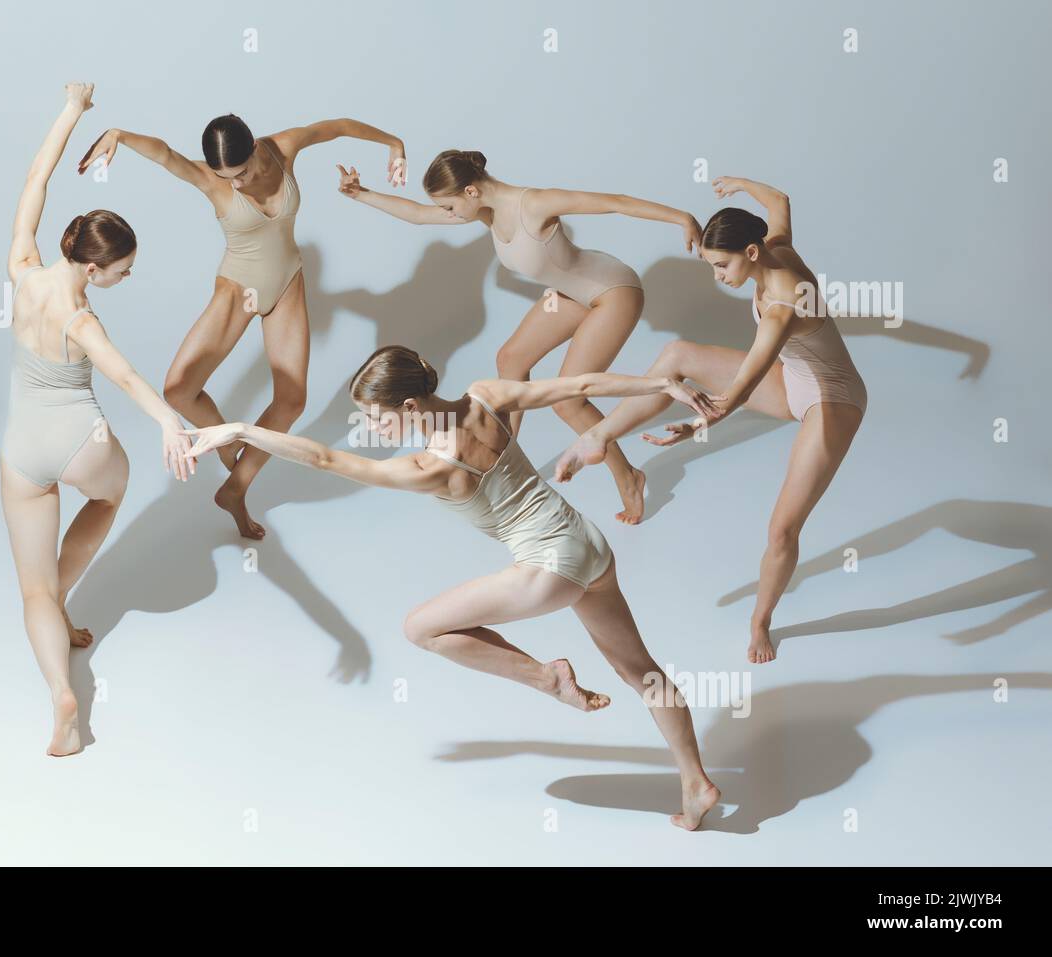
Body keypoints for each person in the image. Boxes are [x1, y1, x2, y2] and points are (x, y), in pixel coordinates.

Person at [185, 346, 723, 829]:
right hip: (588, 544)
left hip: (549, 568)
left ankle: (547, 678)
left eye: (377, 416)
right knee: (641, 672)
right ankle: (696, 782)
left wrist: (242, 431)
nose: (372, 427)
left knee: (420, 628)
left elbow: (326, 459)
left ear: (411, 407)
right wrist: (661, 384)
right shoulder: (485, 396)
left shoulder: (433, 466)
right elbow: (579, 386)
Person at [556, 177, 867, 664]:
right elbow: (781, 201)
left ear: (750, 251)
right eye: (711, 266)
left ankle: (760, 622)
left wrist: (701, 422)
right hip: (795, 377)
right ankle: (596, 436)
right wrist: (743, 185)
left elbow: (747, 378)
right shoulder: (775, 245)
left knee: (782, 530)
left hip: (832, 399)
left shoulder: (783, 303)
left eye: (722, 265)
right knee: (676, 353)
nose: (718, 276)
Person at [79, 114, 407, 539]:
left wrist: (394, 142)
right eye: (225, 177)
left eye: (242, 172)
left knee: (291, 400)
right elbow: (164, 154)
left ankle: (235, 487)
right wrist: (119, 136)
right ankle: (232, 447)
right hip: (239, 287)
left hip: (287, 282)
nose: (234, 183)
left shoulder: (283, 148)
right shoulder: (211, 180)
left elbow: (339, 126)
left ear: (255, 150)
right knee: (179, 389)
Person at [338, 150, 702, 523]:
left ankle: (627, 477)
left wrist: (683, 218)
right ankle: (504, 452)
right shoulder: (485, 212)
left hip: (613, 291)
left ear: (470, 191)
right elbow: (417, 215)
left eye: (449, 206)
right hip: (573, 295)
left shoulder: (536, 203)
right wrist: (361, 193)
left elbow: (616, 203)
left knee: (568, 401)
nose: (448, 215)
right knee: (510, 359)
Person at [2, 83, 195, 756]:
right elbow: (124, 375)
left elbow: (37, 177)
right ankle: (60, 609)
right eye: (122, 270)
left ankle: (62, 690)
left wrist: (70, 110)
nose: (124, 278)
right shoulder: (83, 317)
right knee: (112, 490)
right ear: (92, 264)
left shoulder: (23, 267)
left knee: (31, 588)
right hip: (83, 440)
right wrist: (171, 422)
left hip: (24, 447)